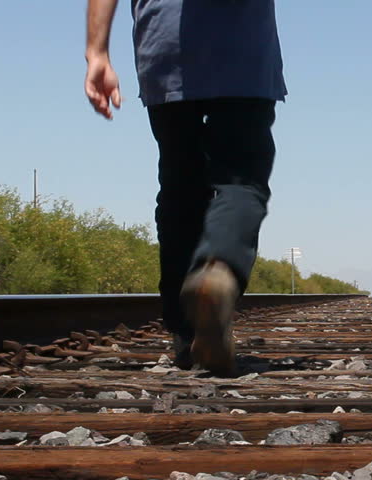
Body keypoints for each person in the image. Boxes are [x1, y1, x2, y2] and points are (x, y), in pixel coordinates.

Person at [84, 0, 287, 376]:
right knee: (240, 179)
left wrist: (97, 52)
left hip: (164, 49)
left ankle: (184, 333)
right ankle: (218, 268)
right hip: (243, 51)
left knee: (180, 187)